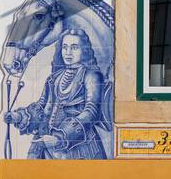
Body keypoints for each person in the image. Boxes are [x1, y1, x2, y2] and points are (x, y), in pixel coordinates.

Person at [7, 29, 109, 159]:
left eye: (74, 48)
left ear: (84, 50)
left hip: (79, 148)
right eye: (65, 47)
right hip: (46, 145)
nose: (68, 52)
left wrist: (60, 137)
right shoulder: (54, 78)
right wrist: (19, 117)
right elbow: (42, 107)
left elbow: (91, 112)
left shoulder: (92, 76)